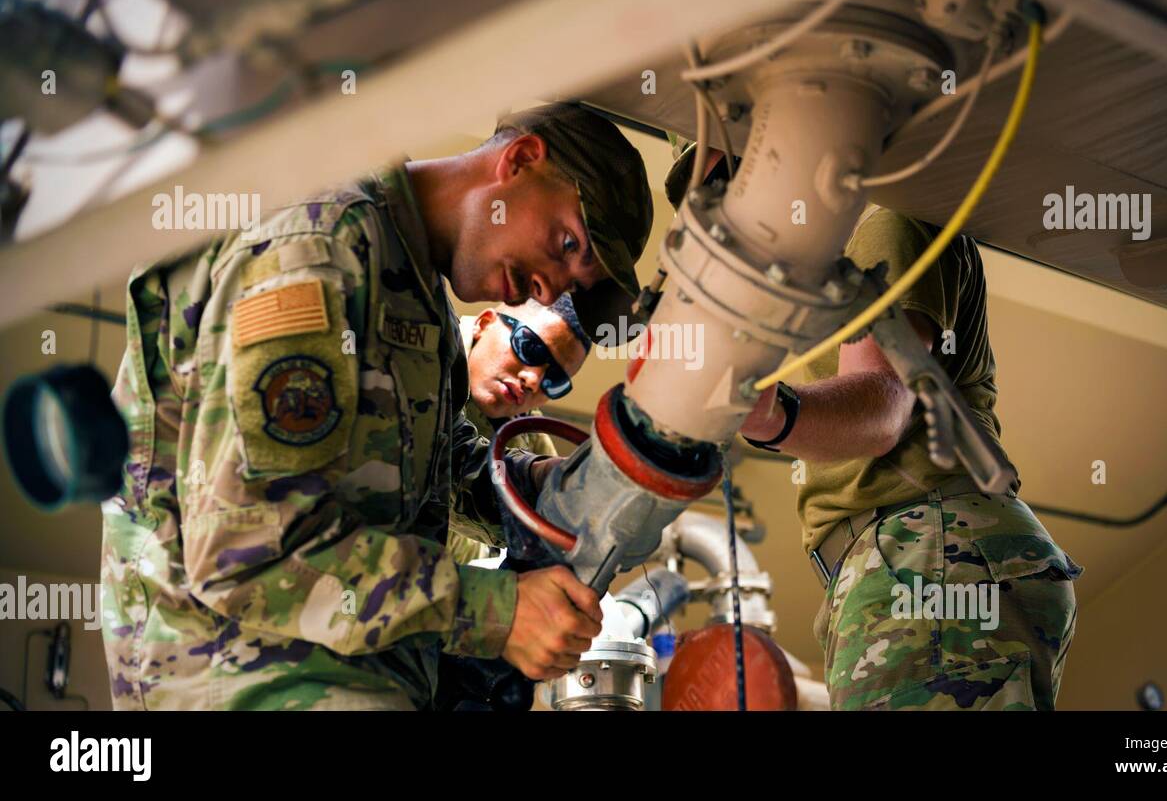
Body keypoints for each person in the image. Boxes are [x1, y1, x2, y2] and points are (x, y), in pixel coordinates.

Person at [100, 103, 653, 709]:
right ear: (519, 161)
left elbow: (435, 468)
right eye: (565, 243)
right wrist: (498, 613)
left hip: (350, 676)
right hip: (249, 679)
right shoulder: (318, 246)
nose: (548, 288)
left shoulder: (413, 281)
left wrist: (555, 489)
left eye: (573, 285)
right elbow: (249, 546)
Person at [668, 142, 1082, 710]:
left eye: (728, 183)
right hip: (915, 555)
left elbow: (883, 407)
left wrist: (767, 413)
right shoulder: (810, 283)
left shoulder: (885, 219)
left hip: (927, 553)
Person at [446, 294, 592, 565]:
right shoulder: (428, 366)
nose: (533, 379)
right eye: (531, 347)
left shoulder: (530, 436)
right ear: (484, 323)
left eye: (554, 379)